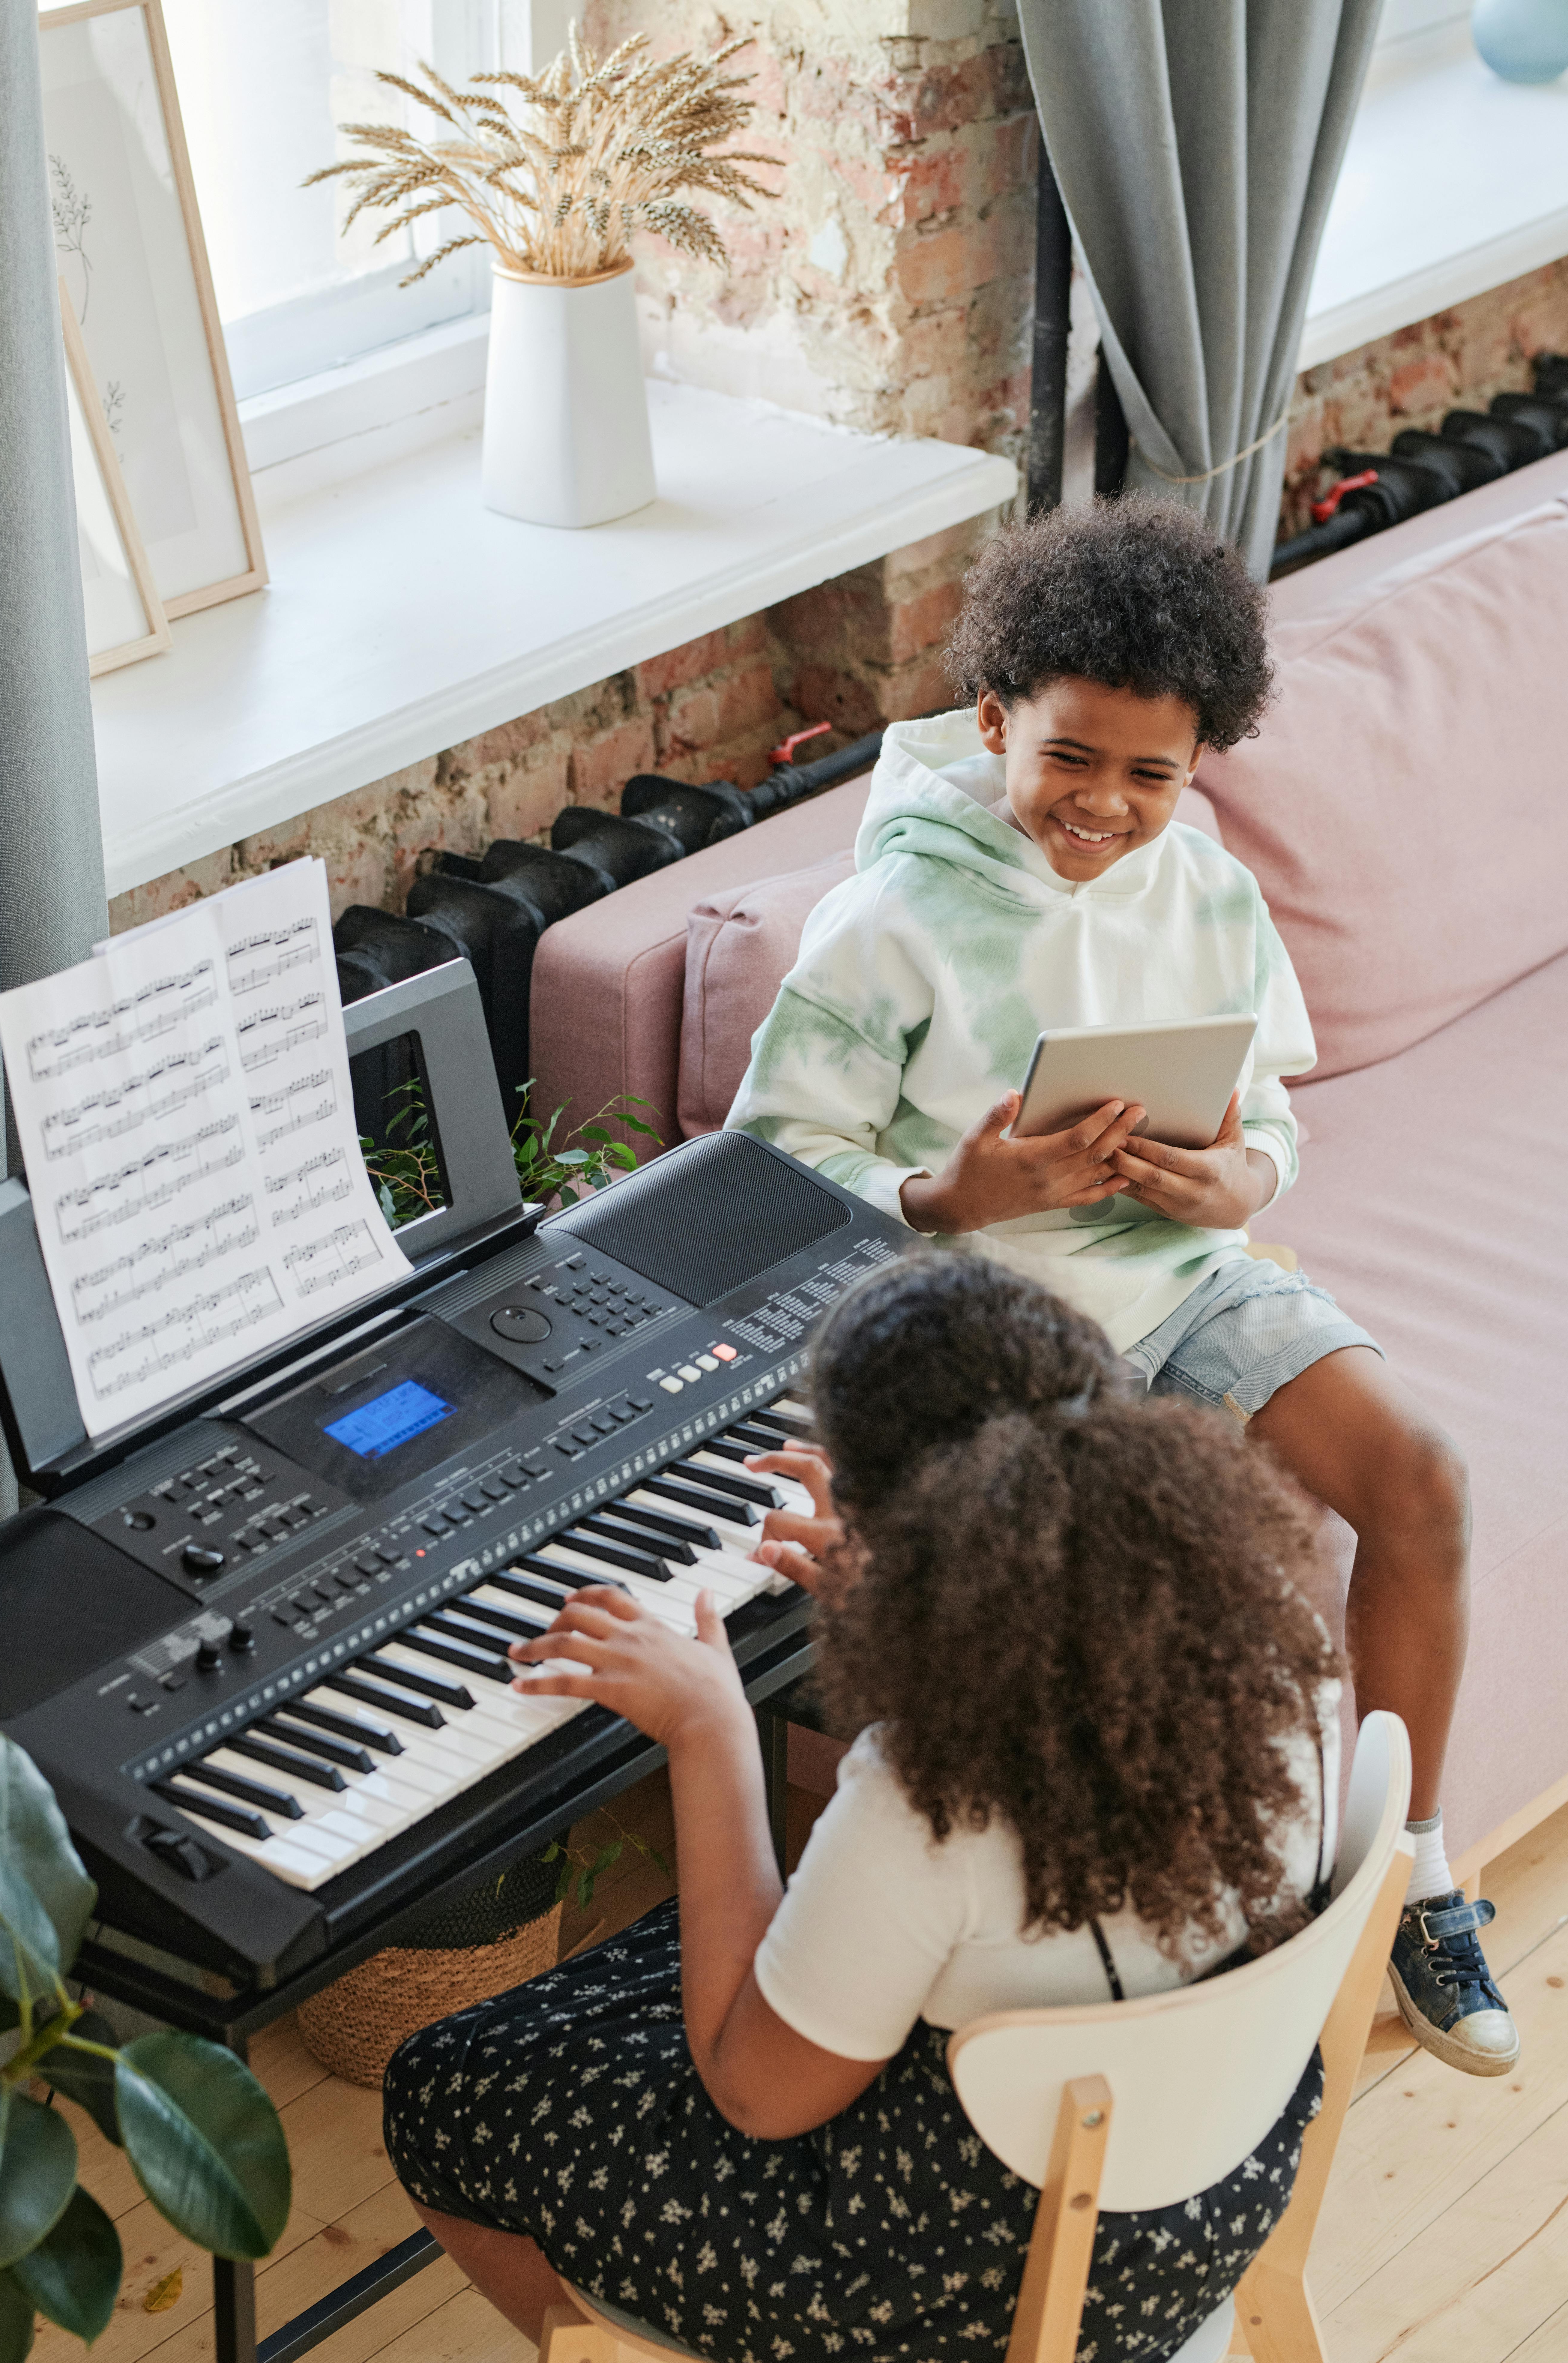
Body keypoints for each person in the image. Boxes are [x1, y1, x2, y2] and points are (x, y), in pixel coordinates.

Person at [724, 494, 1511, 2076]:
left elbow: (1270, 1113)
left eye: (1150, 772)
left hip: (1188, 1282)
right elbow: (762, 1163)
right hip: (993, 1337)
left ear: (1201, 762)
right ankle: (971, 1974)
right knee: (1094, 1628)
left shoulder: (1207, 892)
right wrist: (951, 1192)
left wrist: (1239, 1180)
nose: (1103, 802)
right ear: (996, 720)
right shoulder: (887, 920)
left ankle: (1414, 1871)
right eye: (1068, 757)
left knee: (1419, 1479)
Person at [384, 1257, 1343, 2363]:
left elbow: (752, 2097)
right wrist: (915, 1614)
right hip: (1214, 2186)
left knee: (441, 2089)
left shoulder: (929, 1798)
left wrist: (709, 1734)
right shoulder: (1283, 1641)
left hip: (977, 2289)